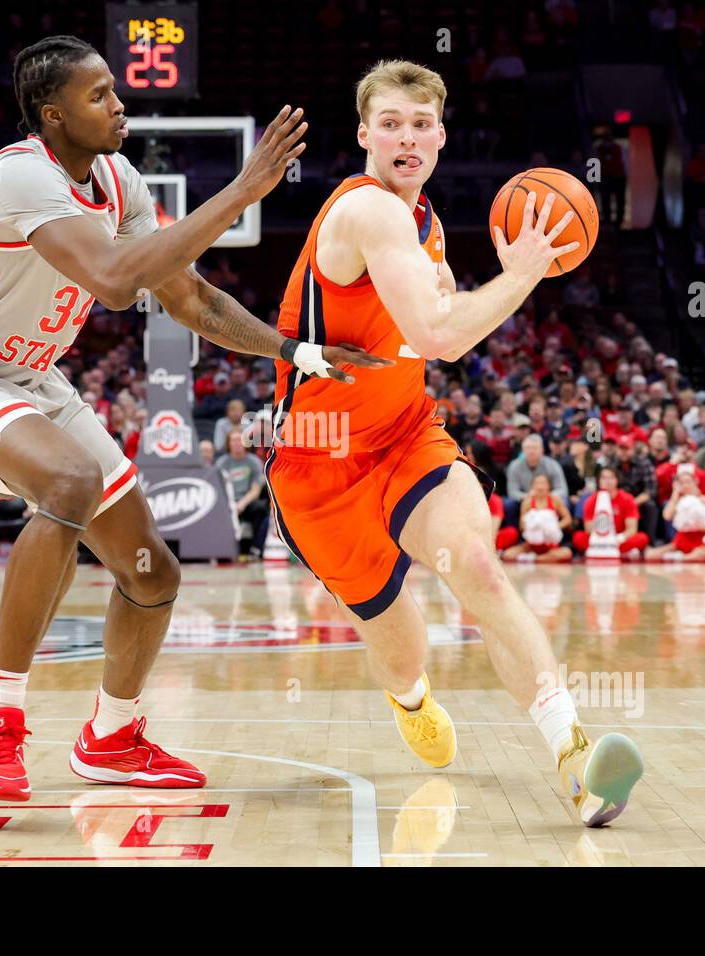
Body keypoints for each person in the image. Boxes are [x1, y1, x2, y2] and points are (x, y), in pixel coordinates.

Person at [0, 35, 381, 801]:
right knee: (71, 481)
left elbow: (194, 300)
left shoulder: (120, 180)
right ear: (52, 117)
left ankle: (114, 735)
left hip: (30, 380)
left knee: (153, 573)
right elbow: (116, 282)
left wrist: (299, 352)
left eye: (116, 90)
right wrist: (243, 191)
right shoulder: (21, 175)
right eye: (98, 96)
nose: (120, 105)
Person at [266, 60, 642, 827]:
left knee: (477, 564)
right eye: (392, 124)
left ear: (441, 134)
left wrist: (496, 286)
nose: (409, 137)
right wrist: (527, 273)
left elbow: (445, 330)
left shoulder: (425, 223)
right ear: (365, 134)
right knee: (399, 643)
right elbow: (439, 335)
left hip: (405, 434)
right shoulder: (368, 213)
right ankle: (409, 697)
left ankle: (573, 756)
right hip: (318, 461)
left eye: (422, 124)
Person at [646, 467, 705, 562]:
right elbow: (667, 516)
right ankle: (684, 557)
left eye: (688, 482)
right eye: (682, 483)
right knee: (650, 555)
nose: (685, 485)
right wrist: (675, 493)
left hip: (700, 539)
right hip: (681, 539)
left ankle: (681, 557)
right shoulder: (677, 501)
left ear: (695, 481)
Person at [216, 428, 267, 557]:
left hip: (246, 501)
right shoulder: (221, 463)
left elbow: (255, 490)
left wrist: (241, 504)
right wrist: (230, 504)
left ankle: (256, 549)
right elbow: (218, 489)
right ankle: (221, 551)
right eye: (233, 440)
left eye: (239, 440)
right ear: (229, 444)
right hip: (226, 502)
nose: (237, 443)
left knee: (260, 508)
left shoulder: (254, 462)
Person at [500, 473, 572, 563]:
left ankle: (535, 559)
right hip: (531, 544)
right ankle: (540, 558)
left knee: (566, 554)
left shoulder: (555, 500)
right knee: (508, 554)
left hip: (550, 544)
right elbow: (522, 527)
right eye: (537, 483)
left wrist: (554, 527)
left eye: (543, 483)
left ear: (548, 486)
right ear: (532, 486)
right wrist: (533, 526)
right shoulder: (527, 502)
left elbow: (568, 519)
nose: (540, 486)